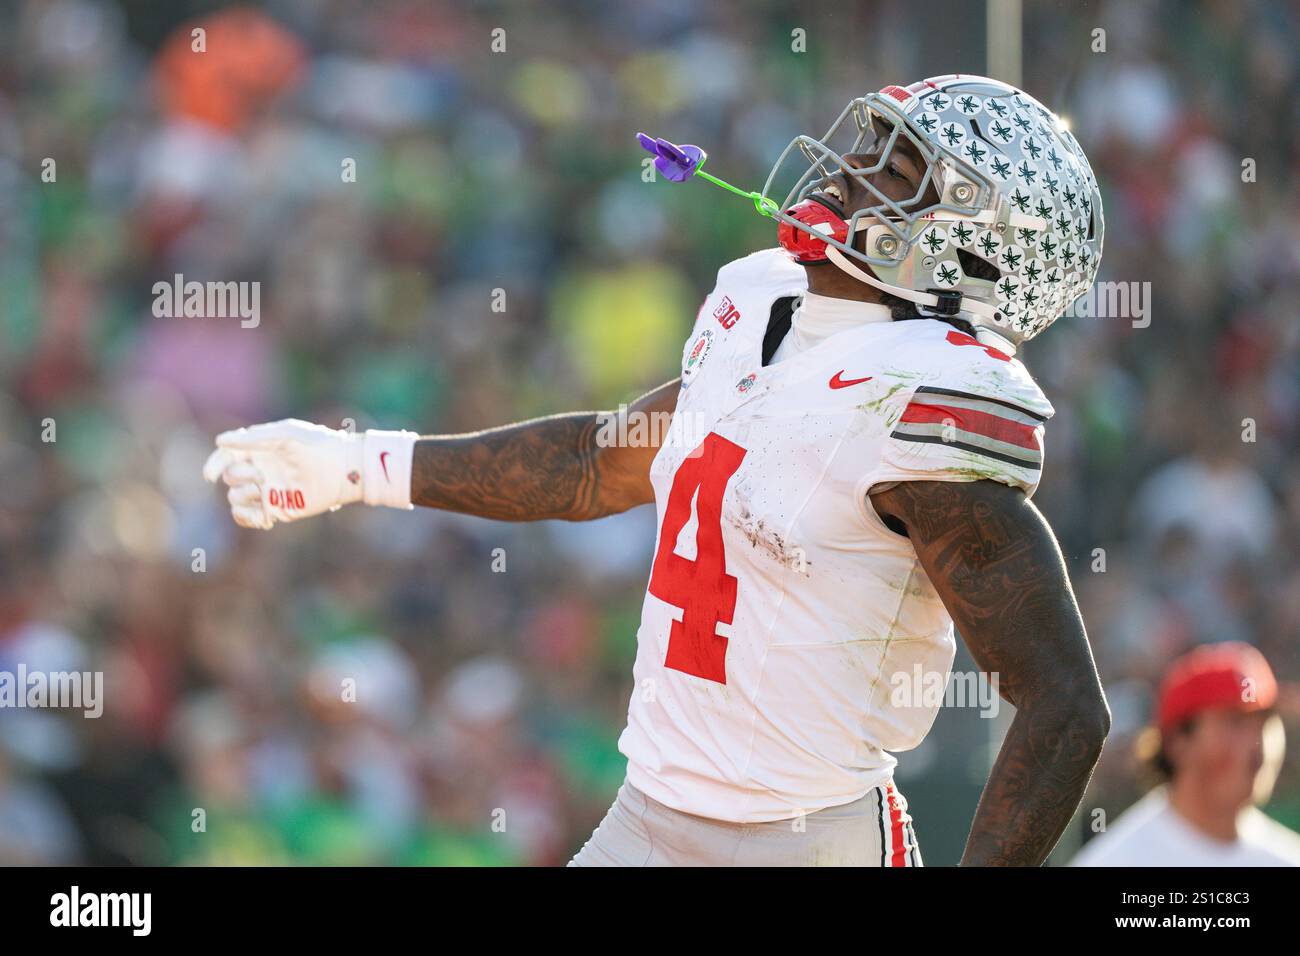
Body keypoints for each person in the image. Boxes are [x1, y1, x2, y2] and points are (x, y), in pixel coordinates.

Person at [205, 75, 1110, 866]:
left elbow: (1064, 704)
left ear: (970, 251)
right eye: (869, 142)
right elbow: (598, 464)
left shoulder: (925, 396)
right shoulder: (765, 303)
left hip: (808, 842)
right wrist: (358, 465)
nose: (845, 168)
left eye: (895, 171)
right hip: (649, 817)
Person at [1072, 642, 1300, 867]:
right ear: (1177, 742)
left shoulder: (1289, 857)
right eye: (1235, 721)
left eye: (1265, 722)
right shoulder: (1115, 861)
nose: (1258, 743)